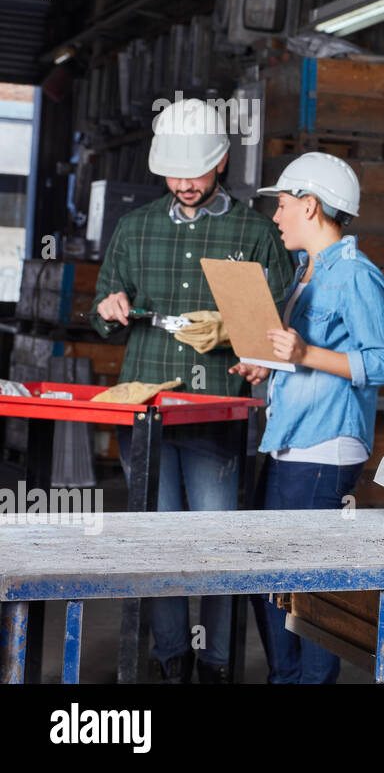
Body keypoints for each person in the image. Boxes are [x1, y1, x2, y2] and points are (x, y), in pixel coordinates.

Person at [92, 97, 295, 683]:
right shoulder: (135, 228)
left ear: (222, 161)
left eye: (196, 171)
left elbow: (285, 321)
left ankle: (216, 664)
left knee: (213, 542)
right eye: (174, 173)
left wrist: (243, 332)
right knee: (158, 539)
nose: (183, 183)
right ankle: (170, 660)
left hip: (214, 408)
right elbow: (104, 313)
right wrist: (109, 307)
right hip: (146, 409)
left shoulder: (254, 233)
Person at [231, 151, 384, 683]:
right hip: (288, 443)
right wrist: (269, 366)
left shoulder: (355, 274)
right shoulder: (307, 272)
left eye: (282, 205)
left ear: (310, 206)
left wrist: (303, 355)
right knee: (273, 579)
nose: (276, 216)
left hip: (325, 451)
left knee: (311, 588)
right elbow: (299, 352)